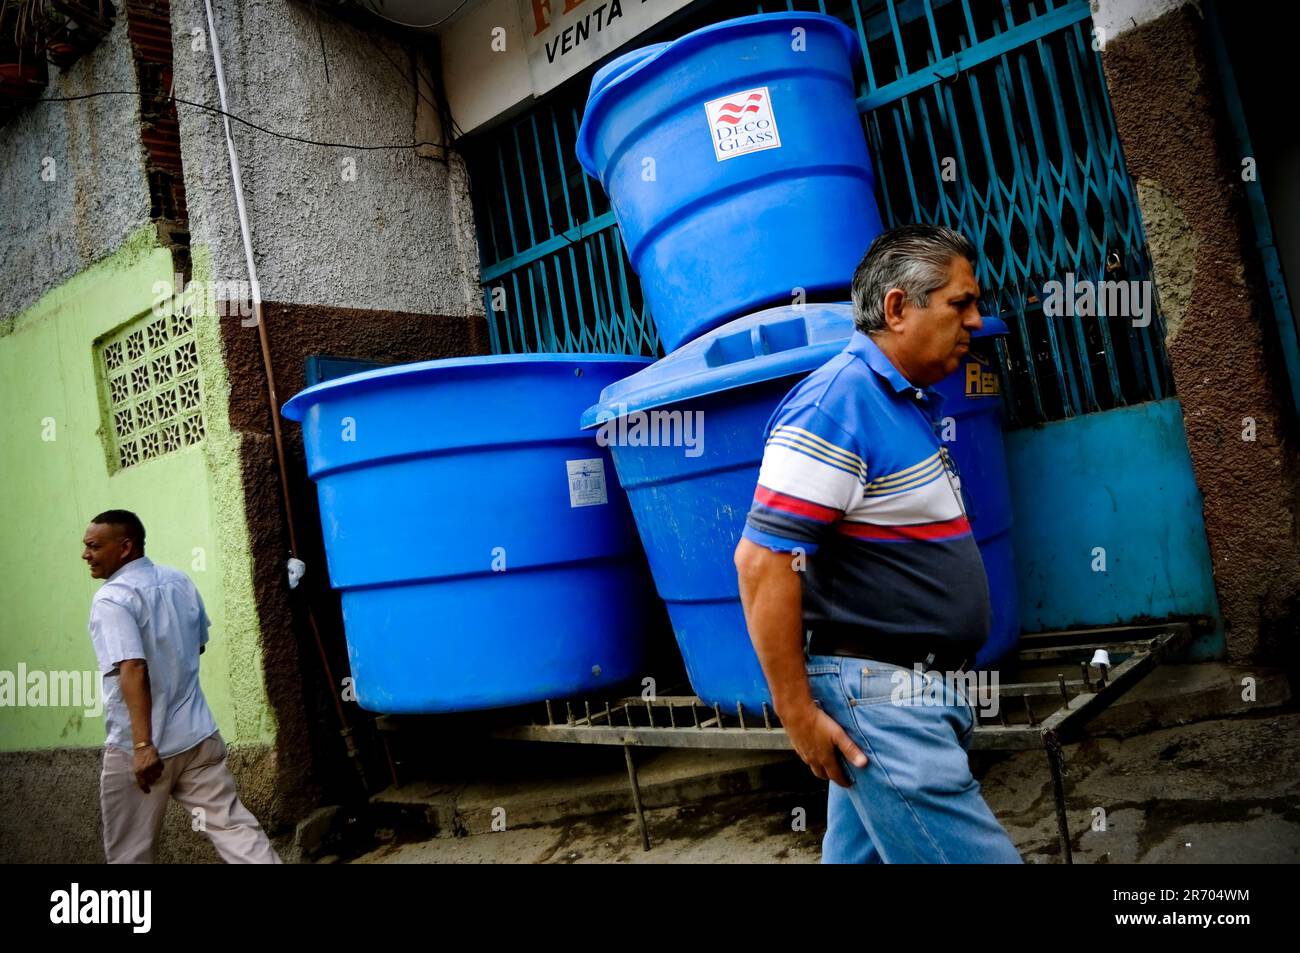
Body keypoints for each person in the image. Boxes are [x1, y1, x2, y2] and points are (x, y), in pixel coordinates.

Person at [734, 224, 1022, 863]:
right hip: (885, 699)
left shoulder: (899, 402)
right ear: (897, 307)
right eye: (959, 303)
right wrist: (797, 714)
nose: (976, 320)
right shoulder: (838, 403)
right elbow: (761, 561)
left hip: (908, 692)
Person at [83, 509, 281, 864]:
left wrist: (144, 745)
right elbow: (198, 644)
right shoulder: (178, 581)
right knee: (234, 828)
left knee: (131, 854)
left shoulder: (111, 598)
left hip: (141, 750)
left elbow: (132, 666)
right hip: (195, 737)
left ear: (125, 547)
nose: (86, 555)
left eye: (94, 546)